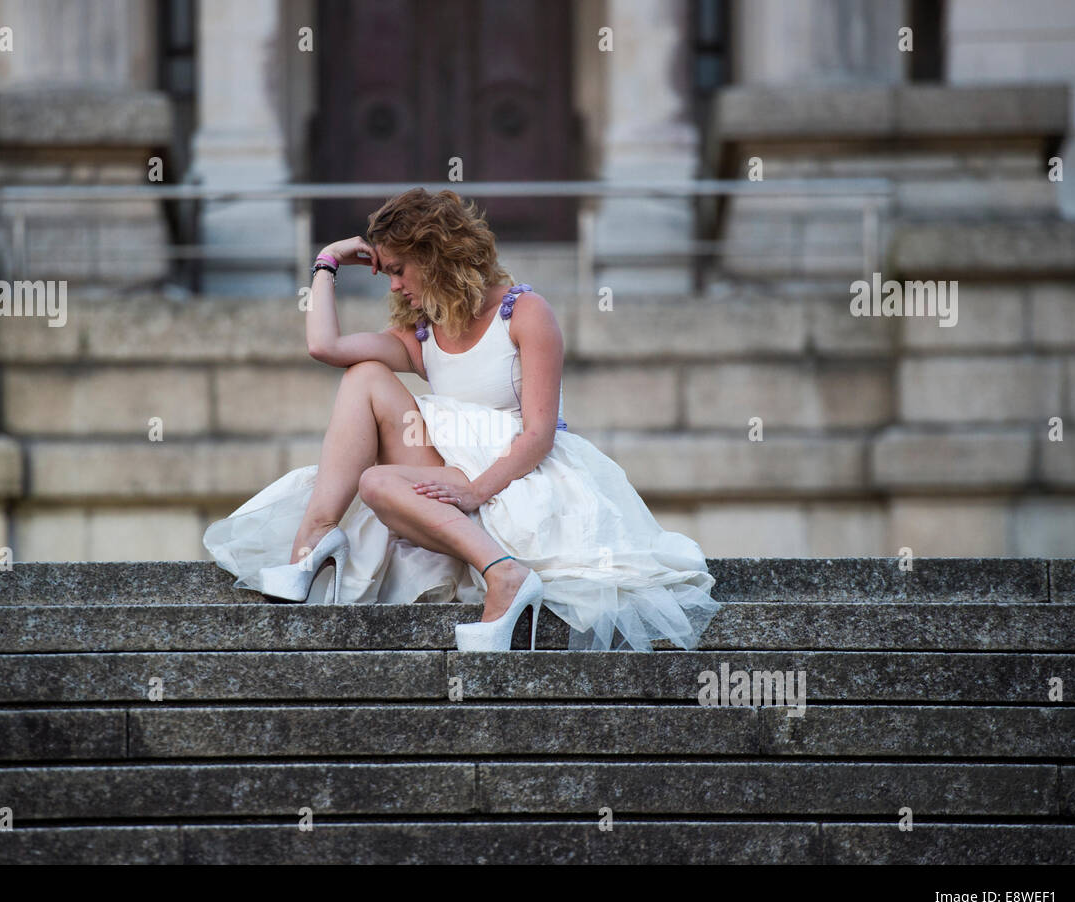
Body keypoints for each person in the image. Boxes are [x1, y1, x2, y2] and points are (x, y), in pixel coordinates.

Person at [203, 187, 720, 651]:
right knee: (361, 375)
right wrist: (327, 261)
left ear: (435, 255)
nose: (394, 287)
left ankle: (504, 573)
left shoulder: (525, 313)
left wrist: (476, 490)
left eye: (400, 269)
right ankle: (312, 542)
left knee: (379, 482)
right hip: (450, 465)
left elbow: (539, 436)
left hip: (514, 474)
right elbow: (324, 345)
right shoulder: (423, 337)